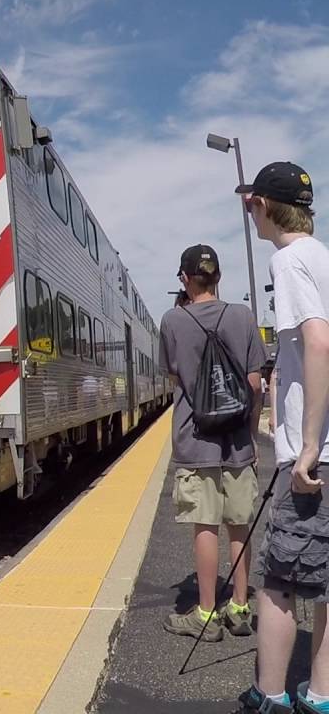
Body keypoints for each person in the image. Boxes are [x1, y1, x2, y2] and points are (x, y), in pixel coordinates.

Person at [236, 162, 329, 713]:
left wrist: (309, 445)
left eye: (251, 206)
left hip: (312, 461)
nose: (250, 214)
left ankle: (269, 697)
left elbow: (318, 343)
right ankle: (319, 696)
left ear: (265, 207)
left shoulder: (290, 260)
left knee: (279, 581)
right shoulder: (325, 257)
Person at [158, 245, 265, 643]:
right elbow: (255, 385)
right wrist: (252, 438)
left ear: (185, 279)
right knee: (239, 523)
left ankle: (205, 614)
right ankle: (239, 608)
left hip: (195, 437)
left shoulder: (173, 320)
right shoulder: (242, 315)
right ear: (218, 277)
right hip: (237, 440)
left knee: (205, 524)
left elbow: (173, 377)